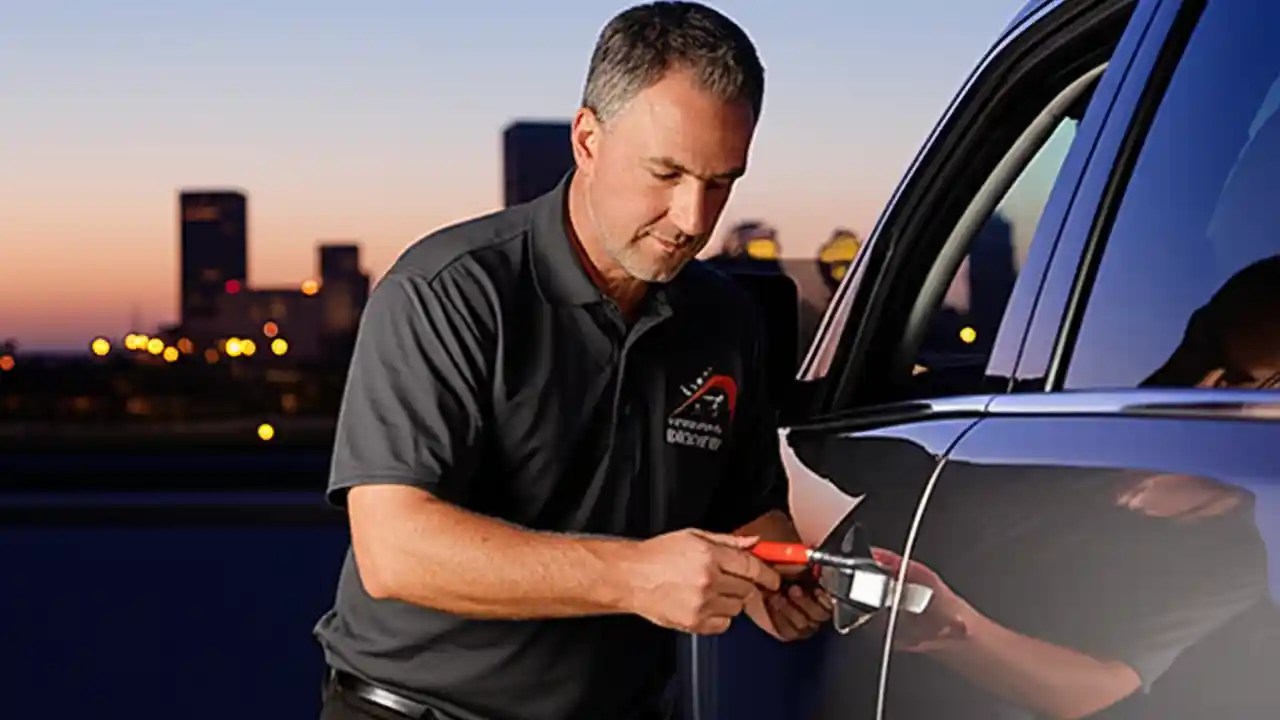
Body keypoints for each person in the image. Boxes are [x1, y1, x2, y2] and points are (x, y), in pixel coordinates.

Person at [313, 3, 831, 719]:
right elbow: (395, 551)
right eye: (667, 173)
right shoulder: (449, 291)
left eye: (722, 182)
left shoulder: (724, 320)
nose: (694, 218)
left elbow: (747, 510)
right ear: (587, 139)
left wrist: (797, 578)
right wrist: (635, 577)